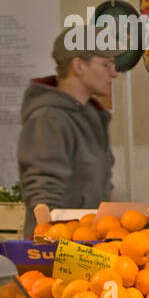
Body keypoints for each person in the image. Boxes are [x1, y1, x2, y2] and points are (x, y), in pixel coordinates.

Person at [18, 31, 118, 234]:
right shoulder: (48, 119)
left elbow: (102, 186)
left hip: (88, 243)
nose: (114, 73)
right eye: (106, 65)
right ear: (78, 66)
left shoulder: (92, 115)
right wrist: (52, 246)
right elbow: (43, 197)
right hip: (59, 246)